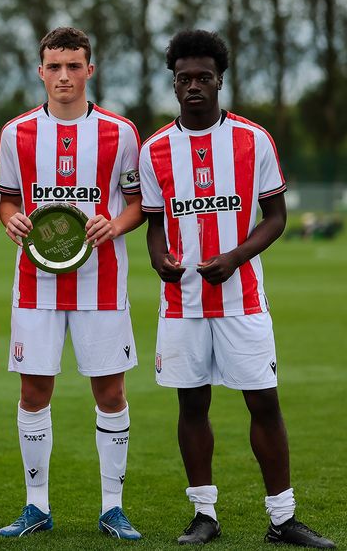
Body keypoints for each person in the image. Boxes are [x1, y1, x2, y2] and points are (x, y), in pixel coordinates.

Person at [139, 29, 335, 548]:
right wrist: (159, 258)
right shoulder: (156, 149)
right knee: (192, 406)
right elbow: (155, 223)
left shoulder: (253, 139)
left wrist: (235, 257)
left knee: (264, 404)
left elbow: (276, 217)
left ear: (220, 80)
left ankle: (282, 518)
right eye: (185, 79)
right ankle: (204, 515)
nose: (195, 86)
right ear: (174, 84)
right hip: (182, 302)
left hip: (242, 298)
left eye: (204, 77)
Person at [0, 27, 144, 540]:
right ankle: (36, 506)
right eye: (54, 66)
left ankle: (112, 508)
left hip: (101, 284)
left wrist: (115, 225)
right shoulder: (16, 133)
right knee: (34, 390)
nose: (64, 76)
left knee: (110, 390)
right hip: (36, 284)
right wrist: (11, 220)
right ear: (40, 71)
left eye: (73, 66)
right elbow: (7, 200)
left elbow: (136, 204)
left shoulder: (121, 132)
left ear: (90, 70)